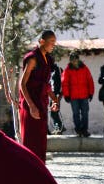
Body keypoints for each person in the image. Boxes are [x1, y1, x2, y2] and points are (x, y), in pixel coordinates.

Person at [18, 30, 60, 161]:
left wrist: (55, 99)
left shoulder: (48, 59)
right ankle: (27, 171)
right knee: (30, 140)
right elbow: (22, 84)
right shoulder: (33, 59)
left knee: (41, 140)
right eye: (51, 42)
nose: (53, 45)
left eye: (54, 42)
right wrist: (31, 106)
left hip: (41, 103)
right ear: (42, 41)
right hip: (30, 104)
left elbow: (45, 84)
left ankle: (40, 168)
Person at [61, 52, 95, 138]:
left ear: (78, 59)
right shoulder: (67, 70)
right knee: (76, 114)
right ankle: (78, 130)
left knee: (85, 114)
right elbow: (65, 83)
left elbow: (90, 81)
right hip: (73, 96)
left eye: (75, 59)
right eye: (72, 59)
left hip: (84, 95)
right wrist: (66, 95)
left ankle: (85, 130)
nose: (74, 61)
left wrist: (91, 93)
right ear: (70, 60)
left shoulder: (85, 68)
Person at [49, 62, 65, 135]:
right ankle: (59, 127)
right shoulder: (51, 71)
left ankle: (59, 128)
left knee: (54, 113)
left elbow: (61, 83)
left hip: (57, 94)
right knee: (53, 113)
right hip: (52, 95)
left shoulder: (58, 69)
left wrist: (59, 96)